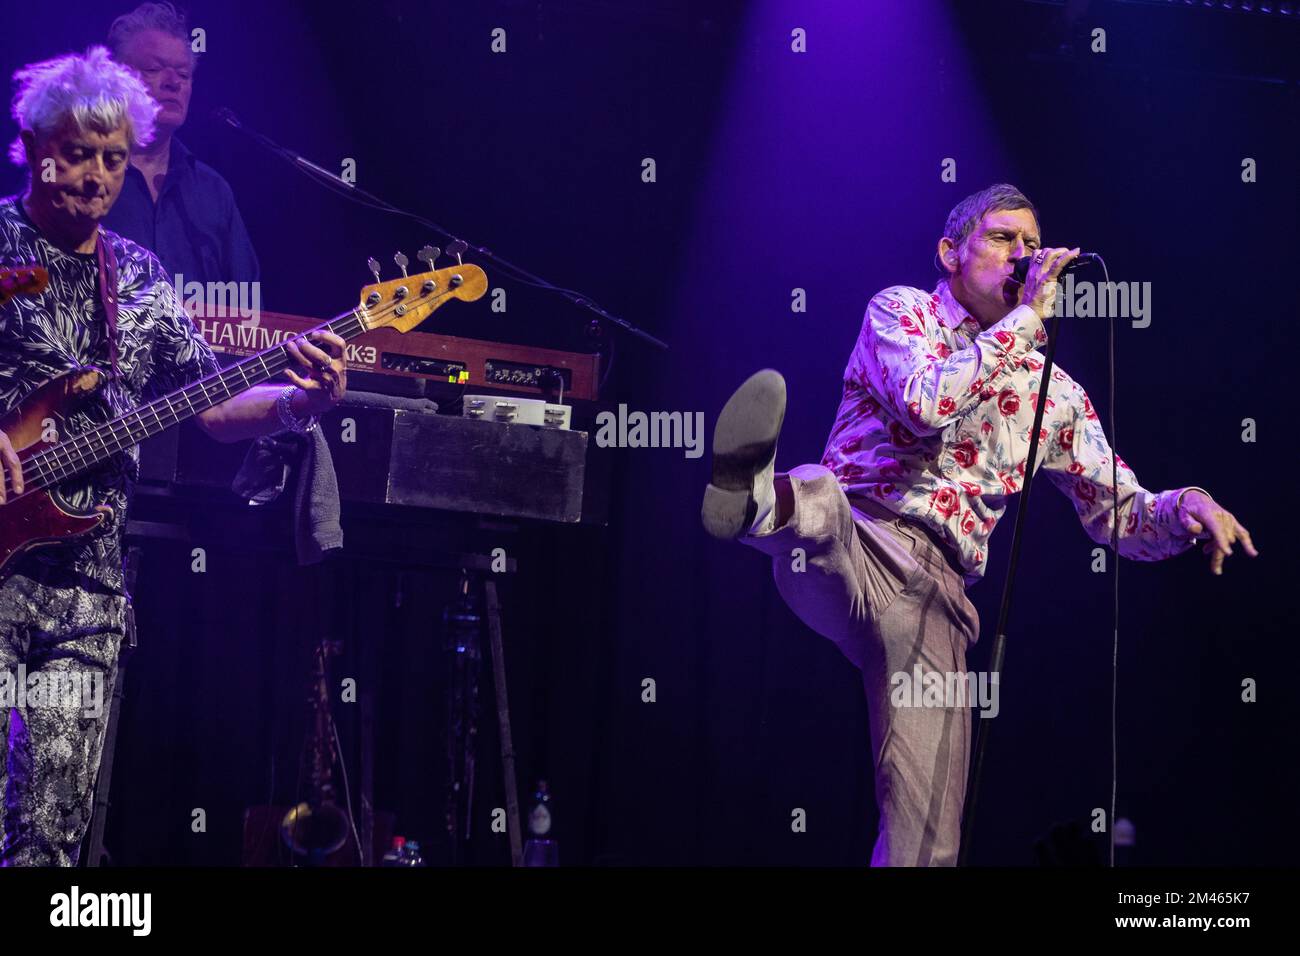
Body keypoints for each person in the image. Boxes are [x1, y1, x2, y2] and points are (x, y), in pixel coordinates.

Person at [701, 182, 1258, 867]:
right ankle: (755, 503)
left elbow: (1117, 509)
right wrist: (1025, 321)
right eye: (1001, 238)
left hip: (936, 593)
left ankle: (763, 503)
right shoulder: (902, 312)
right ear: (950, 253)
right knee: (818, 496)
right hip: (859, 532)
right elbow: (925, 402)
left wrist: (1187, 507)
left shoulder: (1053, 392)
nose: (1022, 253)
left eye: (1031, 243)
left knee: (928, 835)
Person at [0, 46, 344, 865]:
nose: (95, 174)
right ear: (33, 143)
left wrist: (299, 401)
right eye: (77, 152)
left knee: (47, 839)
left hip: (86, 591)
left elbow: (215, 404)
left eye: (113, 158)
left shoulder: (144, 280)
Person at [101, 2, 259, 288]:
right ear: (117, 79)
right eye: (154, 68)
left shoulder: (213, 191)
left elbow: (250, 311)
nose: (173, 83)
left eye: (184, 74)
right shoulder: (80, 178)